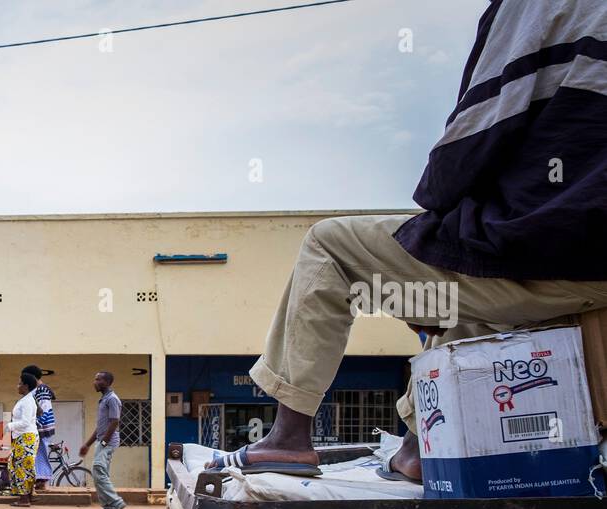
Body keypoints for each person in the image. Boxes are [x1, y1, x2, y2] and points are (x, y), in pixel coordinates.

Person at [214, 0, 607, 482]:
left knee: (331, 246)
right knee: (472, 292)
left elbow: (475, 138)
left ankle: (290, 438)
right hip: (576, 275)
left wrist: (437, 200)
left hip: (552, 254)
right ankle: (419, 445)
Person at [79, 371, 125, 509]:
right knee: (99, 472)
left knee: (98, 469)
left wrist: (104, 442)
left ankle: (115, 502)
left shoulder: (112, 399)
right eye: (95, 379)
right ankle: (108, 505)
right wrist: (87, 444)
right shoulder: (104, 400)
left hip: (108, 442)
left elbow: (115, 422)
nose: (95, 382)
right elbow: (100, 427)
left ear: (107, 382)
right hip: (102, 440)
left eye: (98, 379)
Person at [8, 371, 40, 507]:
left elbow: (26, 422)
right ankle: (28, 495)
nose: (17, 386)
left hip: (26, 437)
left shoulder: (27, 401)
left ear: (26, 386)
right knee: (16, 466)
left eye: (19, 383)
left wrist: (9, 426)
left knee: (22, 467)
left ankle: (24, 499)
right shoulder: (26, 399)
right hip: (22, 437)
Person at [23, 365, 56, 489]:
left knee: (40, 453)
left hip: (41, 427)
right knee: (38, 454)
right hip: (40, 426)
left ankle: (42, 480)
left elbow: (44, 409)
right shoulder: (39, 389)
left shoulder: (41, 389)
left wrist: (37, 423)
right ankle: (40, 480)